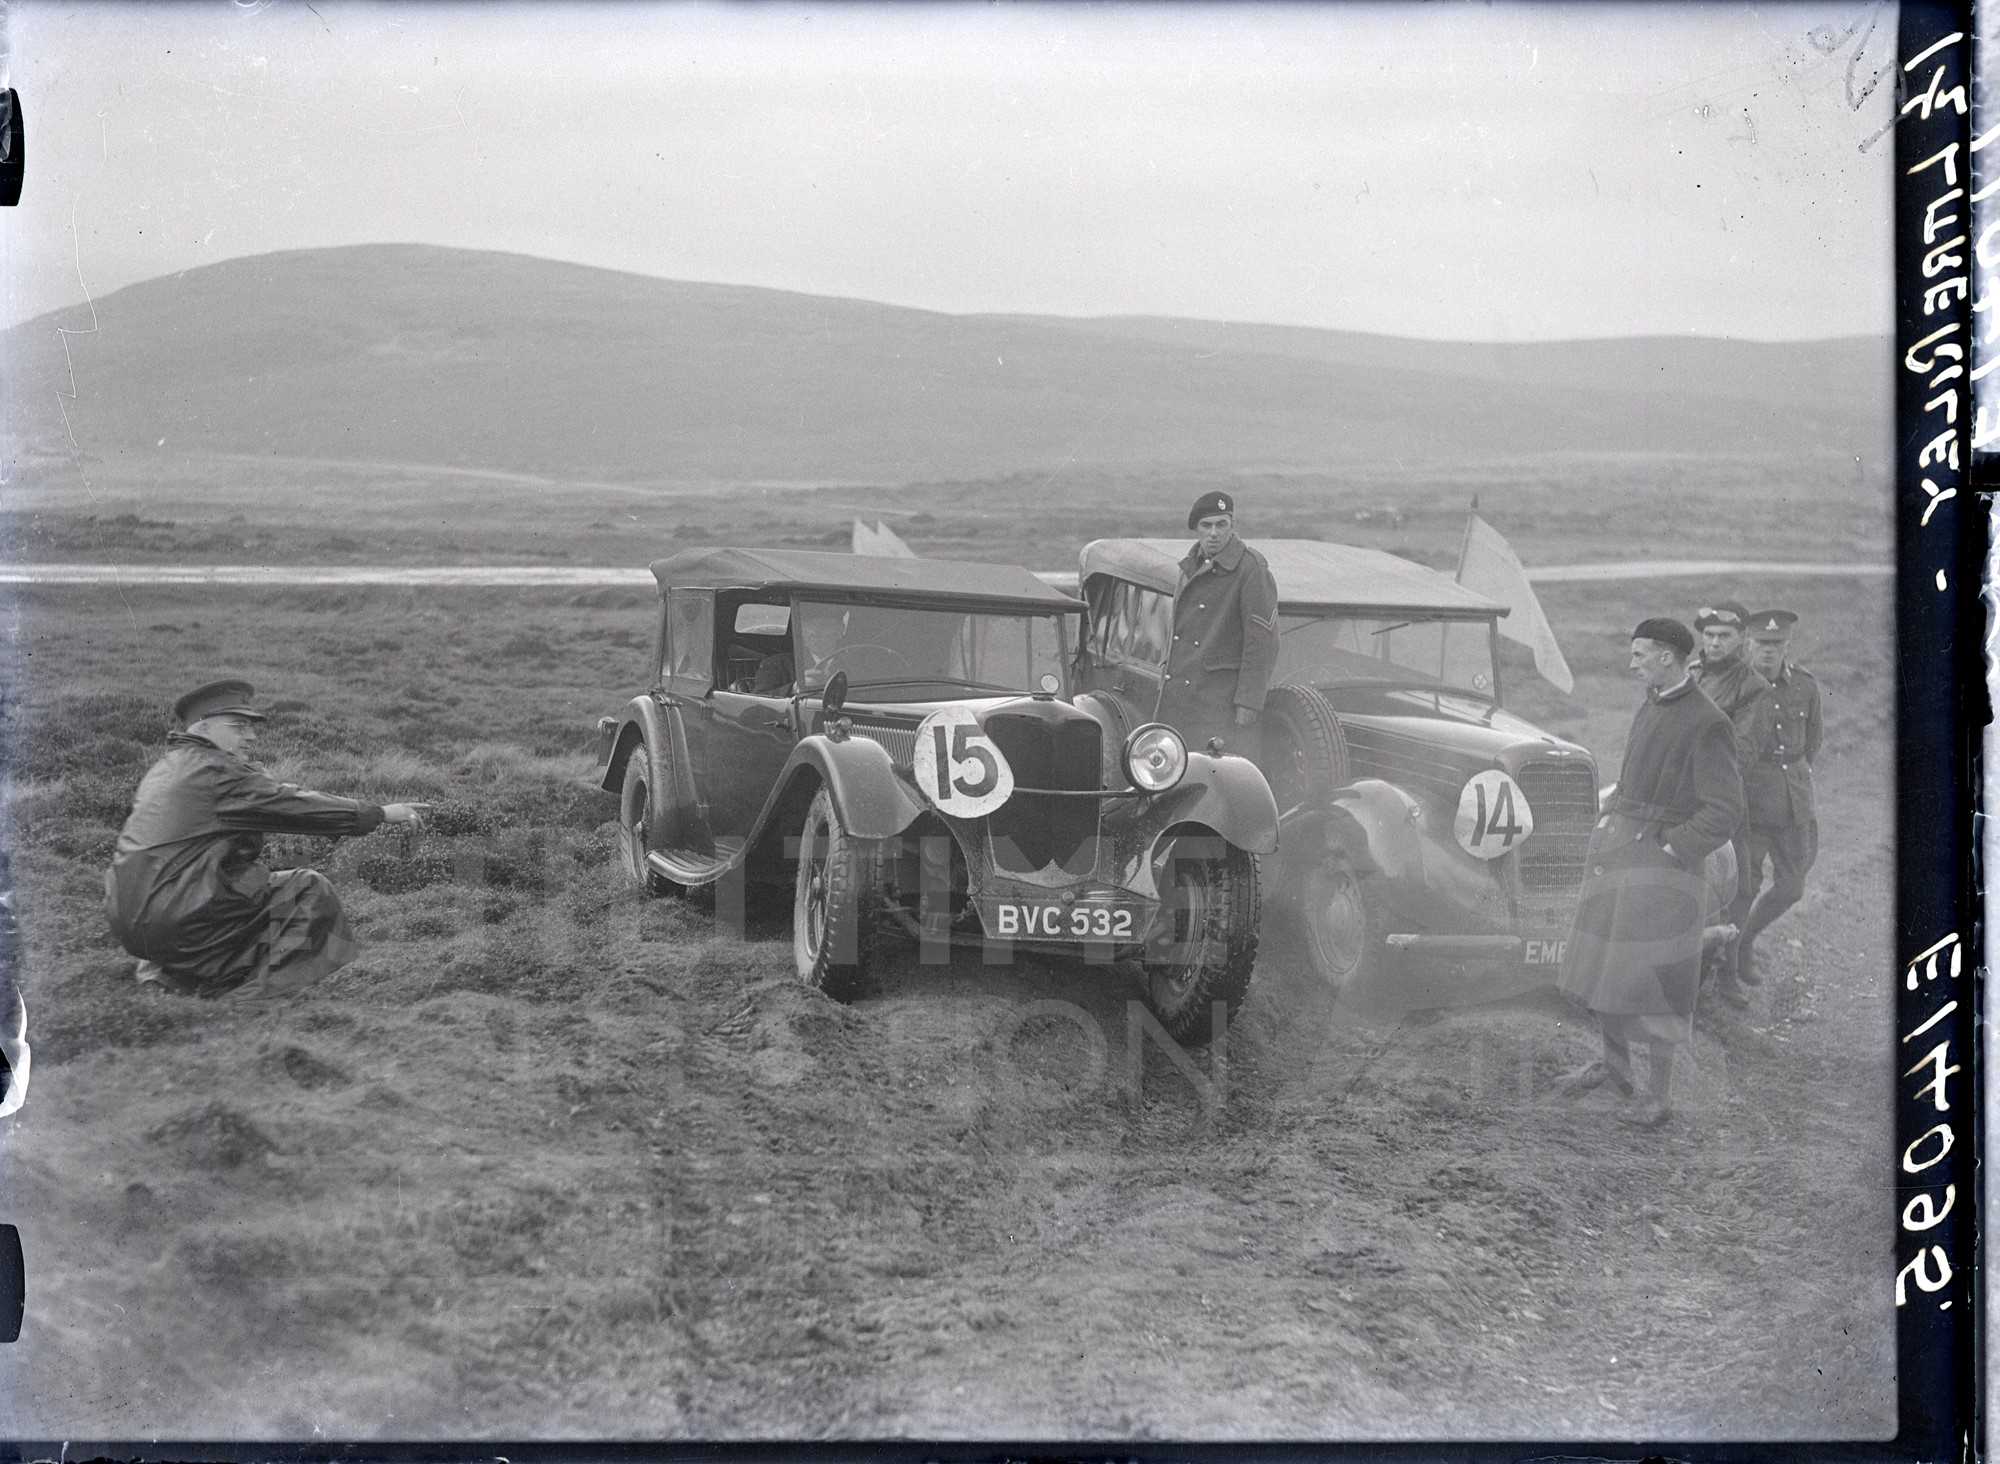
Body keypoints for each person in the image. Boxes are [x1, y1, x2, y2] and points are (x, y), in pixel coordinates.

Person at [104, 680, 428, 999]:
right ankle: (250, 999)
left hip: (133, 926)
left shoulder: (164, 768)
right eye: (238, 727)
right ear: (202, 729)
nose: (251, 736)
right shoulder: (216, 770)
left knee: (247, 880)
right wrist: (380, 813)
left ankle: (170, 978)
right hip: (180, 919)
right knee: (308, 890)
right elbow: (296, 805)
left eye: (250, 727)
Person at [1557, 618, 1745, 1128]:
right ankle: (1615, 1068)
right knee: (1605, 968)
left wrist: (1670, 848)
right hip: (1620, 854)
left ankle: (1658, 1098)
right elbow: (1639, 778)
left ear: (1667, 656)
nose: (1632, 662)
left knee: (1659, 983)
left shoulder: (1708, 722)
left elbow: (1725, 809)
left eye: (1640, 654)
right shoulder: (1652, 700)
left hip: (1665, 875)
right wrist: (1610, 806)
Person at [1727, 609, 1822, 989]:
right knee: (1742, 888)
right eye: (1761, 643)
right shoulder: (1739, 686)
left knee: (1791, 887)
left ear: (1788, 645)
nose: (1768, 651)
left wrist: (1793, 779)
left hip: (1793, 801)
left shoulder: (1805, 685)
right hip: (1750, 802)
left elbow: (1812, 742)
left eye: (1776, 644)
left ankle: (1746, 940)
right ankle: (1728, 967)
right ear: (1749, 644)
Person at [1689, 599, 1771, 1007]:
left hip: (1722, 798)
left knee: (1739, 886)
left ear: (1741, 640)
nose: (1715, 642)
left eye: (1724, 636)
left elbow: (1741, 751)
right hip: (1677, 795)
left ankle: (1725, 973)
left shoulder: (1752, 686)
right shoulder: (1689, 674)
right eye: (1709, 635)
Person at [1155, 490, 1279, 759]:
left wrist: (1248, 702)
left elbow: (1262, 643)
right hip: (1182, 697)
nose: (1214, 533)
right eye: (1206, 525)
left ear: (1232, 526)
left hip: (1221, 705)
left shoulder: (1251, 570)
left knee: (1219, 781)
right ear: (1196, 529)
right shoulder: (1190, 565)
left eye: (1221, 524)